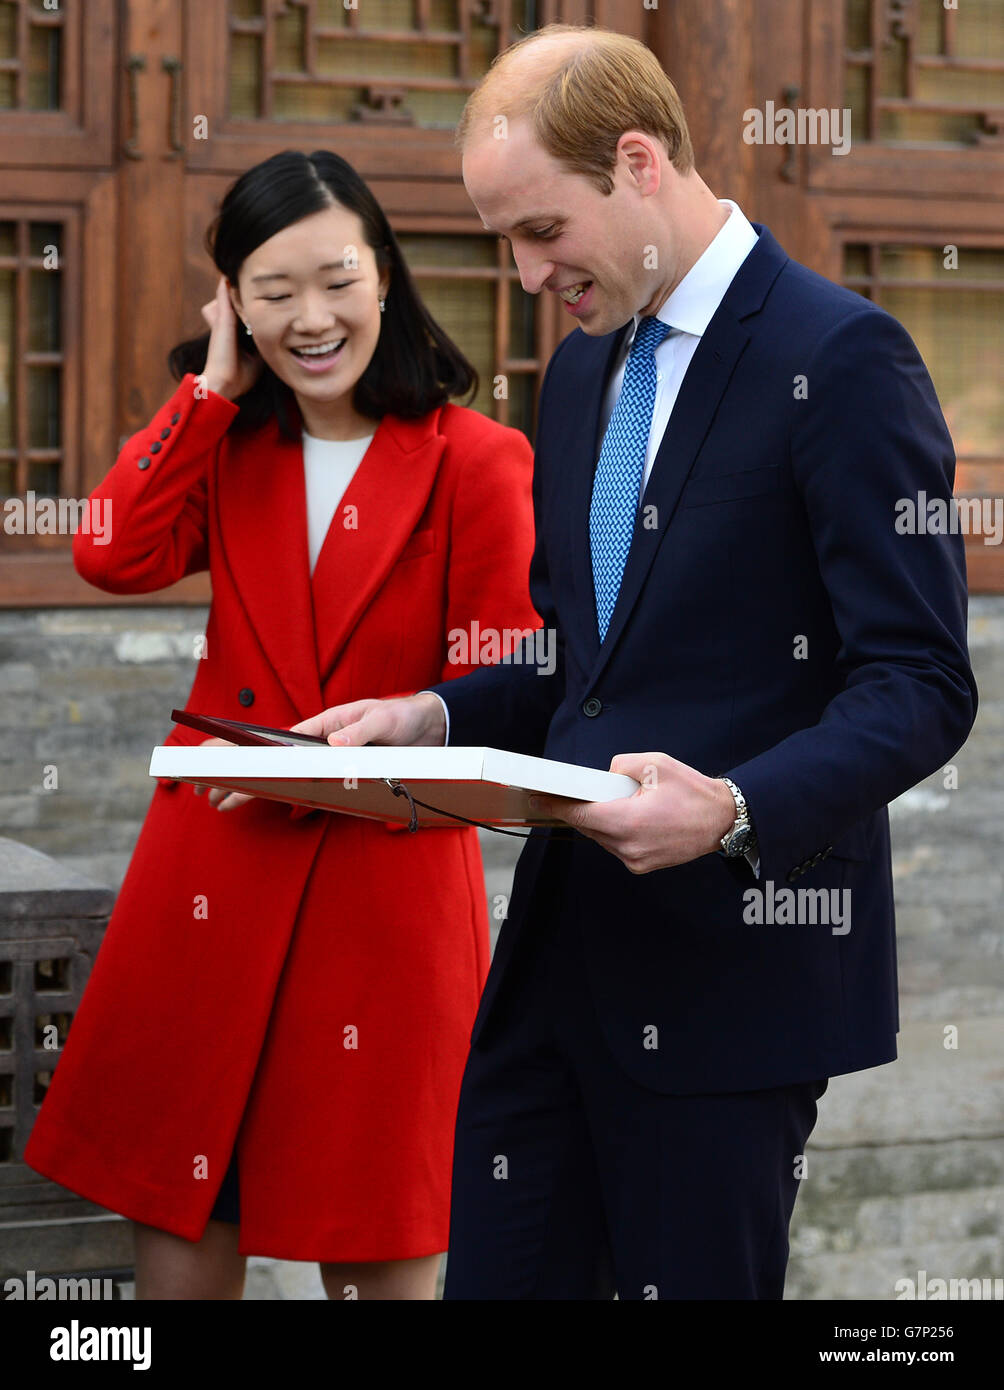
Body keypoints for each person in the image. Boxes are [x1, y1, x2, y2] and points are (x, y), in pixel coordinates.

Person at [292, 28, 978, 1299]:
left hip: (731, 993)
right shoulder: (579, 375)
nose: (523, 269)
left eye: (541, 229)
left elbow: (922, 683)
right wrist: (431, 716)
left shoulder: (841, 359)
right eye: (501, 236)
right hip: (552, 978)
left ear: (637, 160)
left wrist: (730, 809)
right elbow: (583, 666)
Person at [24, 149, 538, 1300]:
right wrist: (208, 388)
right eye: (270, 290)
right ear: (232, 304)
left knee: (380, 1238)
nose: (311, 318)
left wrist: (355, 758)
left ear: (386, 277)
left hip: (385, 897)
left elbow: (506, 695)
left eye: (336, 278)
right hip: (211, 880)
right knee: (185, 1212)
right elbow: (109, 551)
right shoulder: (227, 441)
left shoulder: (478, 461)